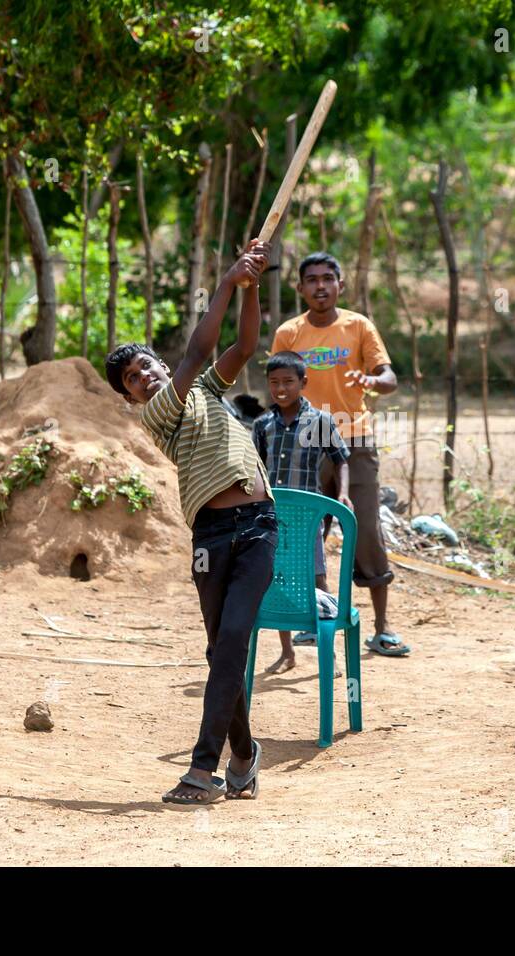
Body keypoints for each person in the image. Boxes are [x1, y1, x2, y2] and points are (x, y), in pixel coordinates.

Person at [105, 240, 274, 803]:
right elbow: (198, 352)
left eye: (147, 364)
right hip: (210, 538)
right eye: (132, 377)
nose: (144, 376)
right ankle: (245, 758)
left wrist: (249, 288)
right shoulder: (159, 414)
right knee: (220, 650)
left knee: (229, 645)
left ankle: (204, 770)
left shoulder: (204, 390)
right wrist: (226, 282)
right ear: (131, 398)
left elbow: (245, 344)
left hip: (257, 528)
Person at [271, 251, 410, 657]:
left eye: (328, 278)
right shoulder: (289, 334)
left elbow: (389, 378)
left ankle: (382, 627)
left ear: (340, 285)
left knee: (365, 528)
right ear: (299, 288)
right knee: (306, 531)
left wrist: (368, 379)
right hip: (306, 441)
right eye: (311, 279)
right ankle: (316, 618)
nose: (320, 286)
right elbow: (278, 385)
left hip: (355, 438)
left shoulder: (358, 326)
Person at [252, 350, 352, 674]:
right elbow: (255, 466)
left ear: (303, 382)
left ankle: (329, 653)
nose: (281, 389)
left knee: (317, 576)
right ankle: (287, 652)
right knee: (276, 576)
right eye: (274, 382)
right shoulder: (263, 424)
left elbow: (341, 459)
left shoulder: (319, 421)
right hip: (273, 515)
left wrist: (345, 494)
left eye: (288, 382)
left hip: (308, 517)